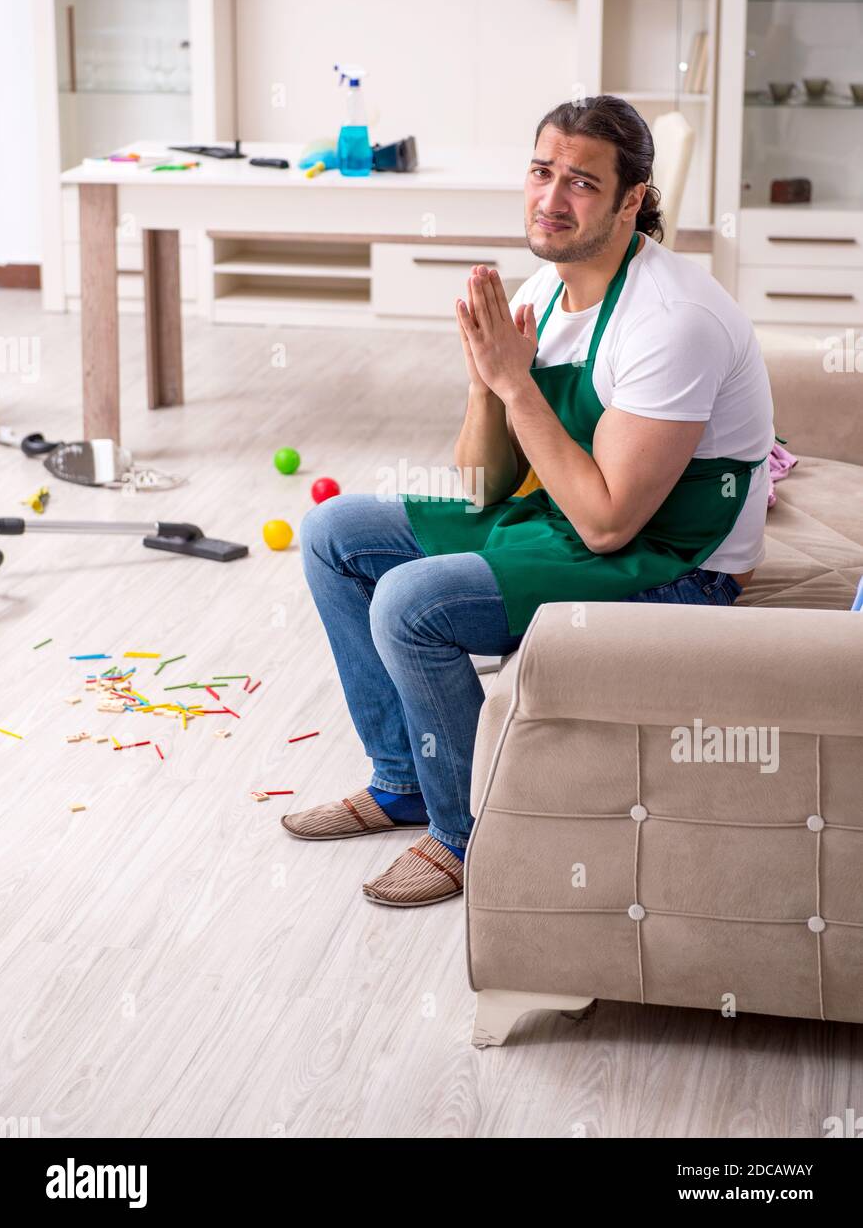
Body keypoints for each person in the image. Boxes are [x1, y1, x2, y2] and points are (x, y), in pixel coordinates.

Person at [284, 95, 775, 908]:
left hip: (675, 561)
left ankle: (468, 835)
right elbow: (482, 484)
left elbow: (611, 521)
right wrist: (484, 384)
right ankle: (402, 780)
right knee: (335, 529)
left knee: (413, 601)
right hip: (567, 512)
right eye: (542, 172)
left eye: (581, 183)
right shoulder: (546, 289)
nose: (551, 200)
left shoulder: (670, 319)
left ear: (630, 201)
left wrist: (515, 381)